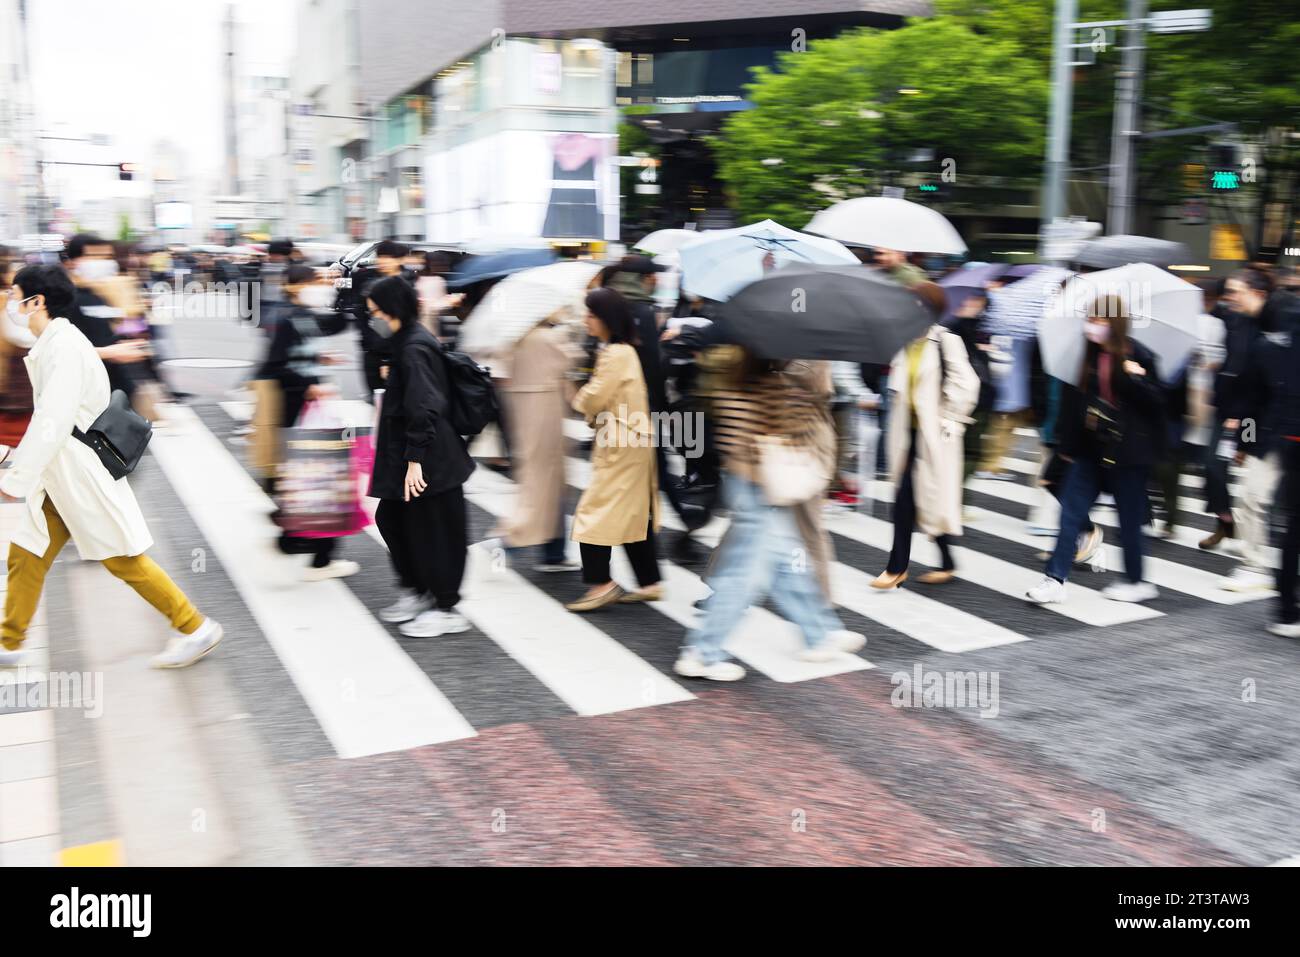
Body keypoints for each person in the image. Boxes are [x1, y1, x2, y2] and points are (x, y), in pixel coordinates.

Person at [0, 265, 222, 669]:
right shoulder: (55, 341)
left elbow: (53, 420)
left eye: (15, 296)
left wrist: (15, 476)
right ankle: (9, 644)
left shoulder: (63, 346)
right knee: (27, 553)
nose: (10, 303)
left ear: (37, 302)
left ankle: (194, 626)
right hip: (61, 473)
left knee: (122, 557)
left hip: (78, 472)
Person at [676, 347, 865, 682]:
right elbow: (777, 429)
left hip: (749, 480)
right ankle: (703, 653)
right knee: (745, 575)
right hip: (757, 483)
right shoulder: (764, 383)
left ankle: (819, 632)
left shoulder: (739, 375)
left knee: (787, 563)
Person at [1026, 295, 1164, 605]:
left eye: (1101, 321)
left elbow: (1158, 406)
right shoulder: (1085, 356)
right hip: (1089, 452)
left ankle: (1136, 581)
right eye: (1091, 319)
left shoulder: (1139, 356)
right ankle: (1055, 579)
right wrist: (1064, 450)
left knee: (1129, 521)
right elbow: (1073, 406)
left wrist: (1135, 378)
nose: (1093, 326)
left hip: (1127, 455)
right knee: (1070, 515)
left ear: (1115, 324)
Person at [367, 276, 475, 638]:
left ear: (392, 309)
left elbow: (425, 405)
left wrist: (415, 461)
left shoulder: (414, 347)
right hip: (412, 454)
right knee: (394, 520)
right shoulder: (406, 342)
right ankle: (418, 589)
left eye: (377, 312)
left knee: (436, 531)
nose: (374, 318)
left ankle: (446, 606)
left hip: (429, 458)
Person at [871, 282, 981, 589]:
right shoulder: (905, 341)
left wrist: (951, 419)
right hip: (906, 433)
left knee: (920, 497)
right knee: (912, 497)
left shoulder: (946, 341)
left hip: (936, 435)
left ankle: (897, 568)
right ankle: (938, 562)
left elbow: (967, 384)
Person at [564, 287, 662, 612]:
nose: (586, 320)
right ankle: (649, 582)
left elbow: (593, 398)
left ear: (606, 319)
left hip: (622, 444)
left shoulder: (616, 354)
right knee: (634, 511)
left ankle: (601, 584)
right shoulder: (621, 350)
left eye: (590, 314)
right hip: (631, 441)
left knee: (594, 511)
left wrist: (573, 393)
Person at [260, 264, 360, 581]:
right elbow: (275, 364)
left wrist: (320, 360)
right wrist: (308, 386)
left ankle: (293, 539)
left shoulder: (300, 313)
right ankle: (321, 558)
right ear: (297, 285)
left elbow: (335, 326)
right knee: (323, 480)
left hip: (304, 407)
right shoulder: (289, 316)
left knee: (307, 476)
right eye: (315, 282)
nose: (321, 287)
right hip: (300, 407)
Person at [493, 307, 581, 572]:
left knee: (542, 481)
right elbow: (572, 361)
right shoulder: (547, 337)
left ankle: (553, 551)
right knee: (549, 483)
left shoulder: (514, 338)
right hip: (547, 413)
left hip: (523, 413)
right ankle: (513, 539)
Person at [1229, 272, 1300, 593]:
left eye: (1236, 291)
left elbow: (1256, 393)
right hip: (1269, 433)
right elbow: (1250, 395)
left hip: (1283, 432)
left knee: (1255, 498)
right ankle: (1254, 563)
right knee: (1250, 497)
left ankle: (1258, 565)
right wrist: (1244, 442)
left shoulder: (1284, 321)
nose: (1232, 297)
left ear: (1257, 292)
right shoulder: (1247, 326)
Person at [63, 233, 151, 398]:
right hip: (82, 394)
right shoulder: (64, 298)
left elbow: (130, 332)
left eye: (107, 256)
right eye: (93, 256)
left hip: (116, 390)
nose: (102, 262)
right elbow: (61, 350)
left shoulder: (108, 293)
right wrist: (110, 353)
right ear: (72, 262)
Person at [349, 240, 413, 397]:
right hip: (372, 350)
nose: (382, 261)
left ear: (400, 259)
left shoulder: (409, 284)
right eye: (380, 256)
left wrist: (389, 358)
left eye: (388, 257)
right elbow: (361, 314)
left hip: (399, 352)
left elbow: (407, 321)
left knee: (398, 399)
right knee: (375, 398)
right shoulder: (368, 282)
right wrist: (368, 340)